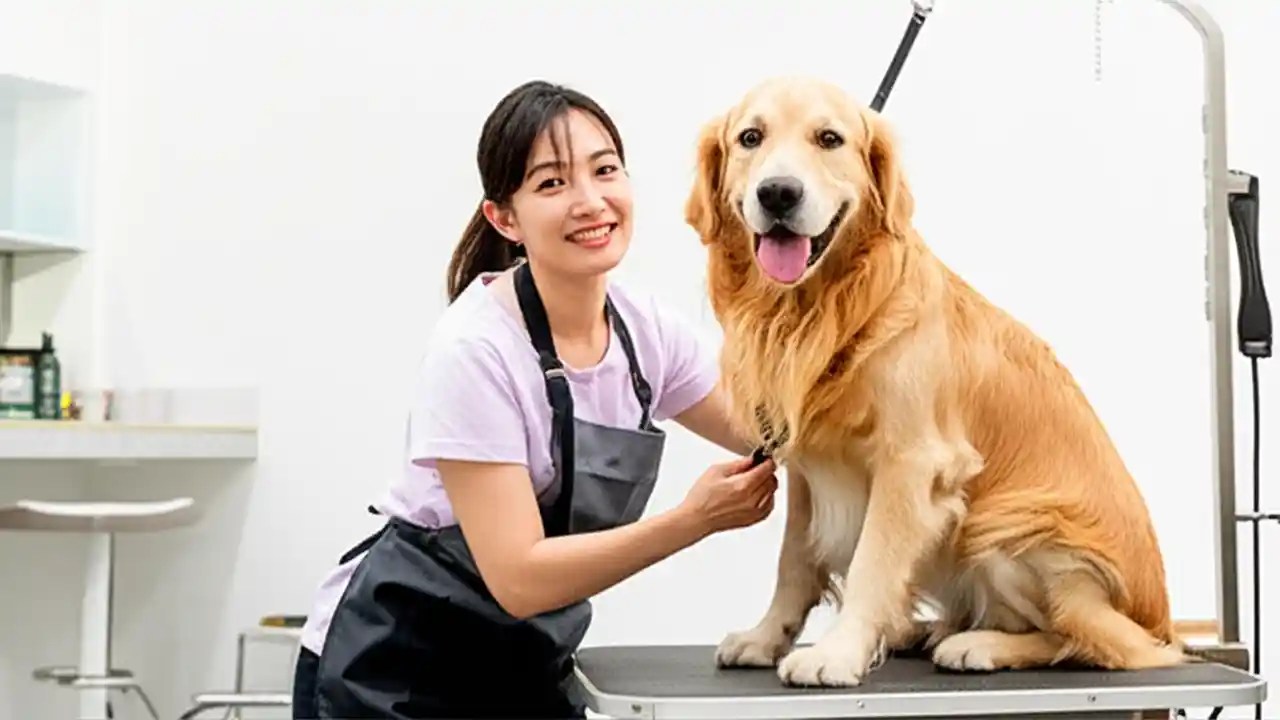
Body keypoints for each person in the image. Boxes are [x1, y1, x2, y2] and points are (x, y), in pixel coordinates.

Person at [291, 79, 779, 719]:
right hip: (393, 670)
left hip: (522, 662)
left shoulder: (647, 335)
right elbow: (519, 578)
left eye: (605, 170)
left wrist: (800, 283)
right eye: (552, 184)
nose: (589, 201)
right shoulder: (477, 351)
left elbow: (779, 431)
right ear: (505, 217)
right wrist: (692, 521)